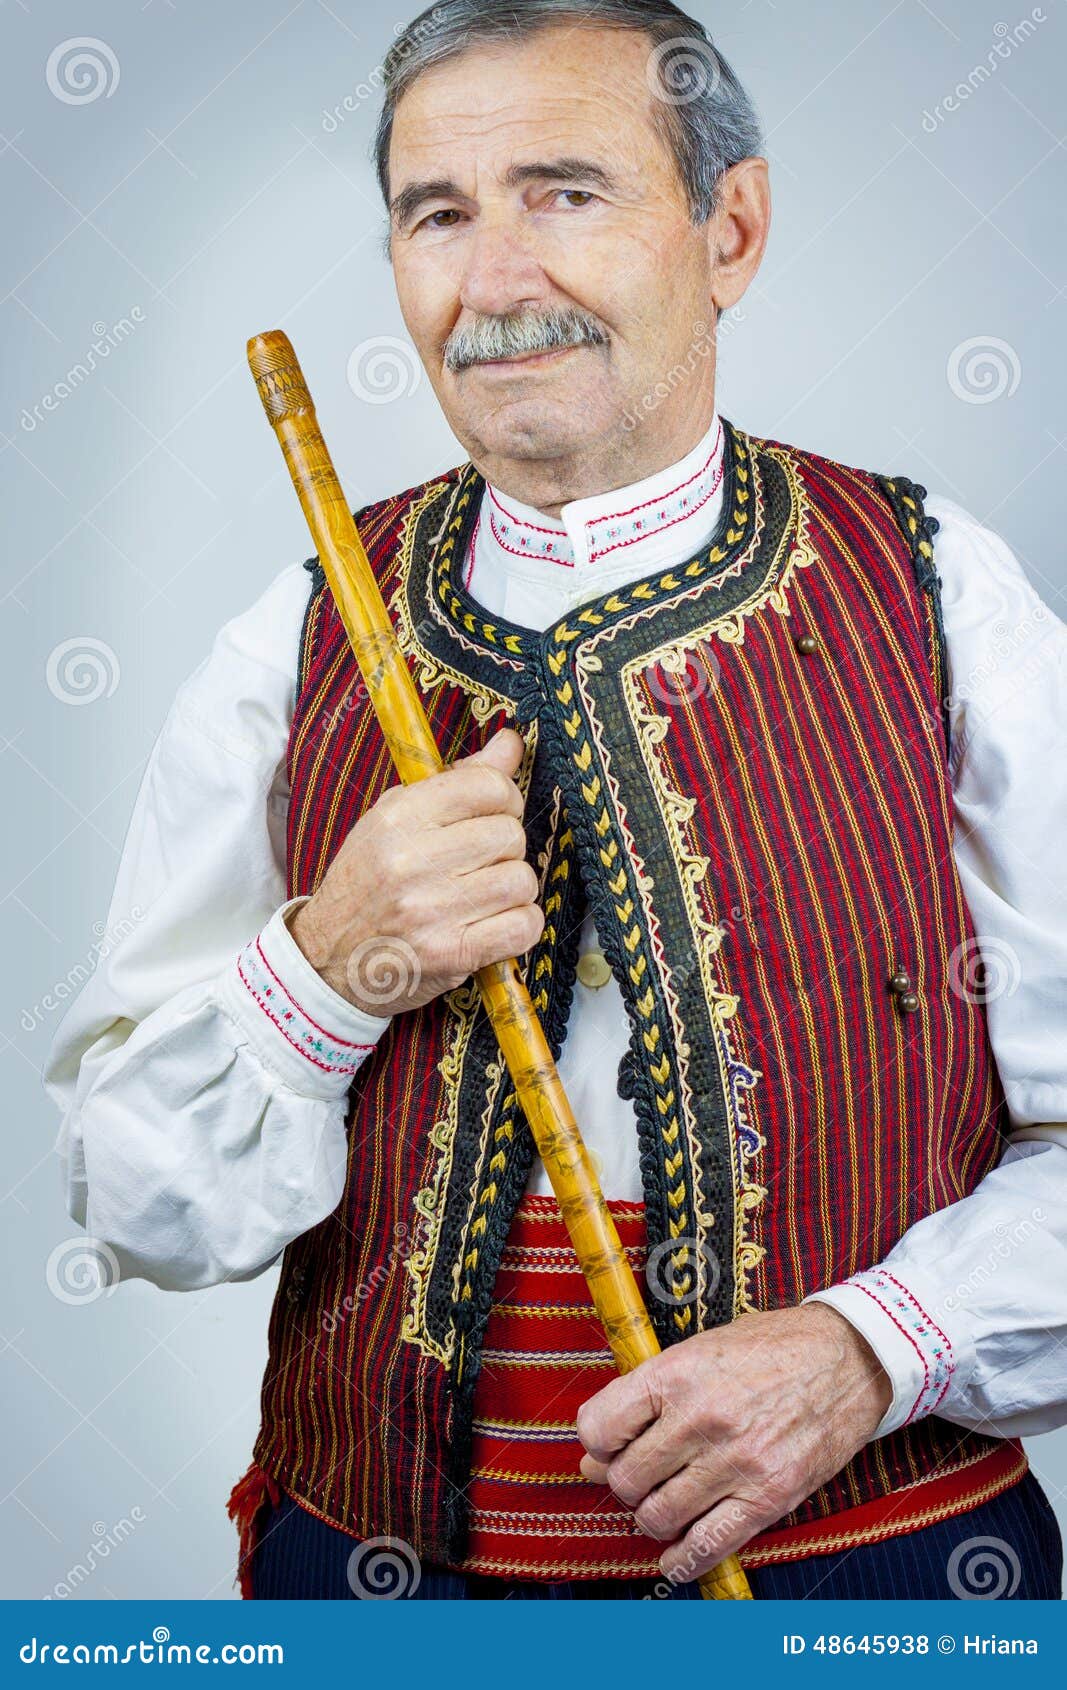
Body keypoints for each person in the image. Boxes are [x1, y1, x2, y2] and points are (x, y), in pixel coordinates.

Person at [46, 0, 1067, 1601]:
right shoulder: (302, 627)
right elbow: (130, 1194)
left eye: (565, 193)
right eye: (436, 215)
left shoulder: (938, 598)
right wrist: (327, 967)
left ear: (728, 230)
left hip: (870, 1584)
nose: (497, 281)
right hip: (372, 1591)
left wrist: (880, 1345)